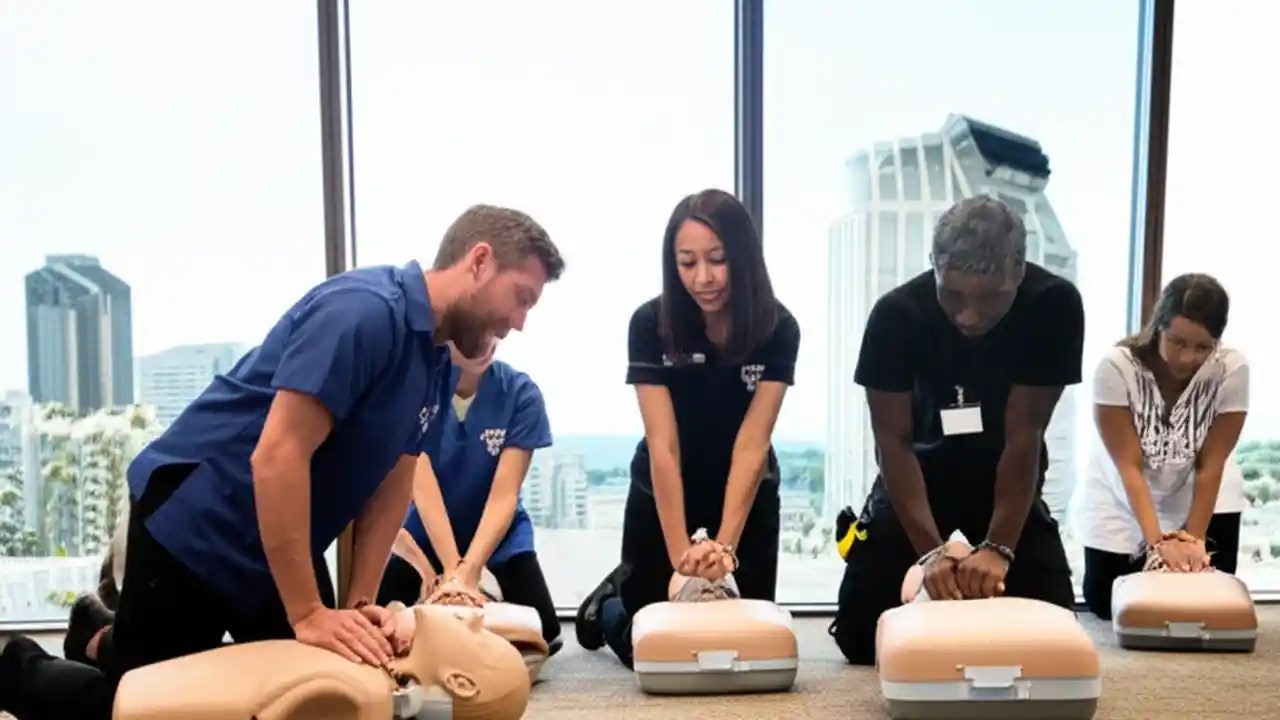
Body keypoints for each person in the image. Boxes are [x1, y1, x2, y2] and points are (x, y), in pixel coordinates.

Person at [0, 204, 564, 720]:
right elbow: (278, 456)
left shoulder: (437, 362)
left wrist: (357, 606)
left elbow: (392, 483)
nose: (520, 322)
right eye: (522, 298)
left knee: (312, 692)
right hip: (200, 516)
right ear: (480, 261)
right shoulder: (364, 312)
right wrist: (309, 614)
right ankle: (14, 666)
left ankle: (98, 635)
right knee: (149, 706)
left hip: (278, 532)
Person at [828, 195, 1082, 666]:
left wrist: (1000, 547)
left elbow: (1024, 436)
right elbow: (892, 443)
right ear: (934, 267)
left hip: (1006, 476)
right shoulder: (896, 315)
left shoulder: (1054, 306)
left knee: (1056, 629)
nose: (969, 315)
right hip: (918, 475)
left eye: (990, 298)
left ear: (1019, 272)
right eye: (954, 295)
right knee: (859, 638)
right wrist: (931, 554)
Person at [573, 188, 801, 669]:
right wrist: (682, 556)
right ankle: (608, 603)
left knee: (745, 637)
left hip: (745, 481)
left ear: (742, 256)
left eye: (718, 260)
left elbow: (751, 446)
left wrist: (722, 553)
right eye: (687, 262)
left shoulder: (778, 327)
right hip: (666, 477)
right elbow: (664, 445)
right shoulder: (651, 324)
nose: (704, 278)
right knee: (650, 645)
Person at [1069, 273, 1247, 619]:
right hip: (1125, 494)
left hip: (1202, 494)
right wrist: (1159, 545)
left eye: (1202, 347)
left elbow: (1211, 466)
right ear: (1157, 327)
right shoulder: (1117, 367)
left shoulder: (1231, 369)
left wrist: (1190, 543)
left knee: (1203, 602)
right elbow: (1128, 467)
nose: (1186, 358)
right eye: (1177, 341)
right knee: (1107, 602)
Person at [375, 338, 562, 653]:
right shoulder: (416, 391)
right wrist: (450, 570)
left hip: (499, 533)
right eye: (476, 331)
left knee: (545, 631)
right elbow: (422, 488)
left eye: (494, 331)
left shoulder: (520, 394)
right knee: (381, 622)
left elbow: (504, 496)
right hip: (426, 528)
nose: (485, 341)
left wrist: (468, 572)